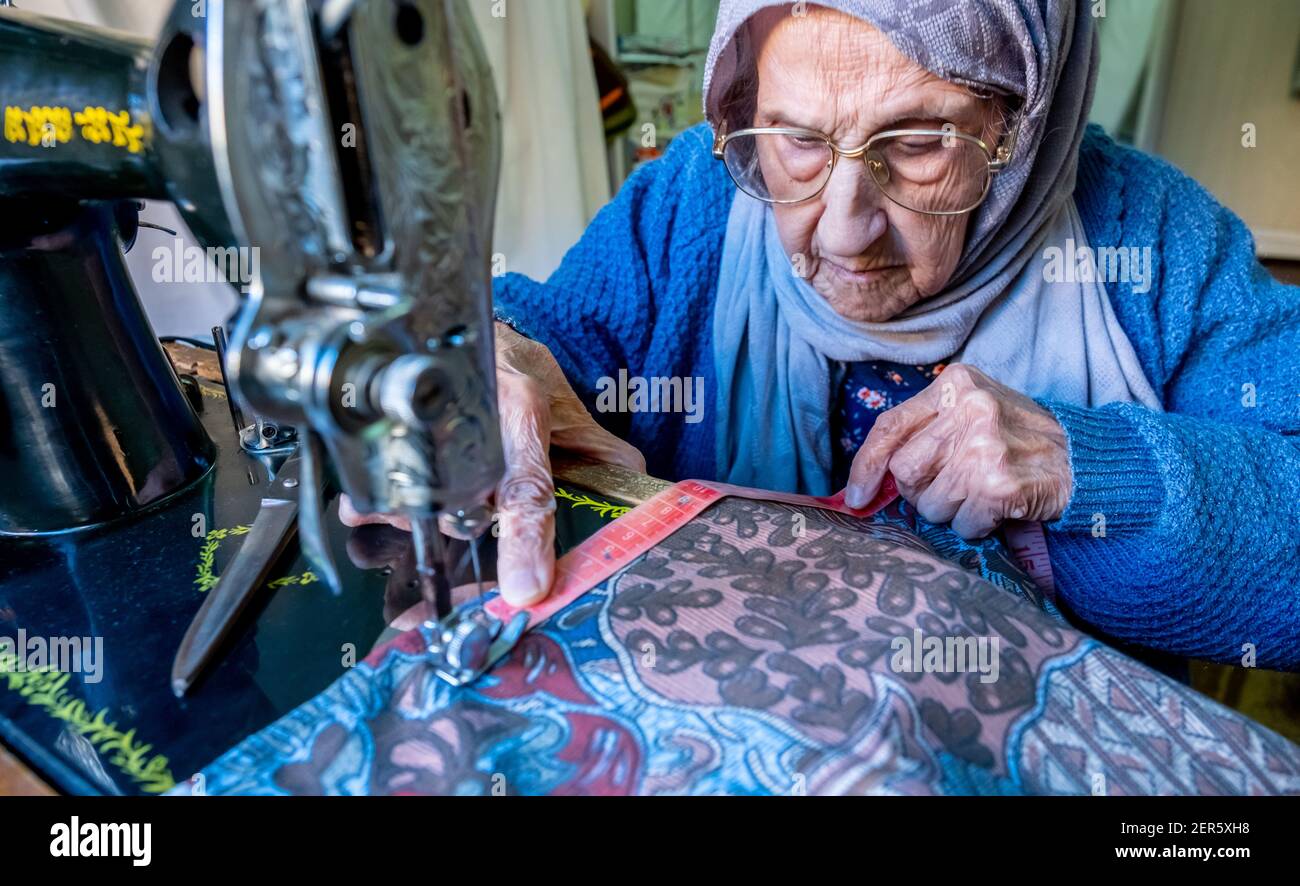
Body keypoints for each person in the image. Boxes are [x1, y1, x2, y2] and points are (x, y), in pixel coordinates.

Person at [344, 0, 1300, 670]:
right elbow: (557, 337)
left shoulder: (1160, 245)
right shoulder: (698, 195)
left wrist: (1089, 470)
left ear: (1026, 125)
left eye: (921, 143)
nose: (843, 229)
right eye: (796, 139)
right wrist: (490, 363)